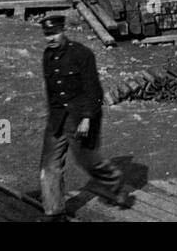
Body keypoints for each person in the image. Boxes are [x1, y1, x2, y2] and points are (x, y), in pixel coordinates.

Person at [38, 15, 131, 221]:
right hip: (57, 117)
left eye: (54, 33)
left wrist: (87, 118)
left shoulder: (82, 54)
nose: (51, 38)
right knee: (49, 165)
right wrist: (52, 118)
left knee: (88, 161)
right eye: (47, 35)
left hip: (81, 117)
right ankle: (54, 212)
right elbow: (52, 91)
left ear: (63, 30)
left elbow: (94, 90)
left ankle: (114, 182)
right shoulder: (47, 56)